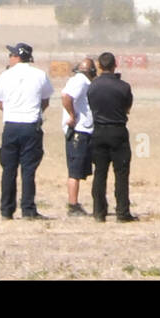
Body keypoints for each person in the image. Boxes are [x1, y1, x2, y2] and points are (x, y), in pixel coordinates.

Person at [0, 42, 53, 220]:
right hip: (31, 125)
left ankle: (6, 210)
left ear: (17, 57)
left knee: (8, 169)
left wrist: (12, 110)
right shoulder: (40, 75)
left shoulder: (5, 75)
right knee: (28, 170)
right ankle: (28, 209)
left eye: (11, 55)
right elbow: (45, 100)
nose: (9, 58)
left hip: (11, 125)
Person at [88, 52, 137, 222]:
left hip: (99, 131)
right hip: (117, 131)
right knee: (121, 174)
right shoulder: (124, 86)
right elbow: (127, 107)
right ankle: (122, 212)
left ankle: (99, 212)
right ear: (115, 64)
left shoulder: (92, 86)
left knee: (100, 174)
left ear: (99, 66)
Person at [61, 57, 96, 217]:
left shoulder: (83, 82)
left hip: (85, 130)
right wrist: (72, 115)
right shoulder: (80, 81)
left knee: (80, 169)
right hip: (78, 131)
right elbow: (66, 97)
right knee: (75, 170)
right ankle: (73, 205)